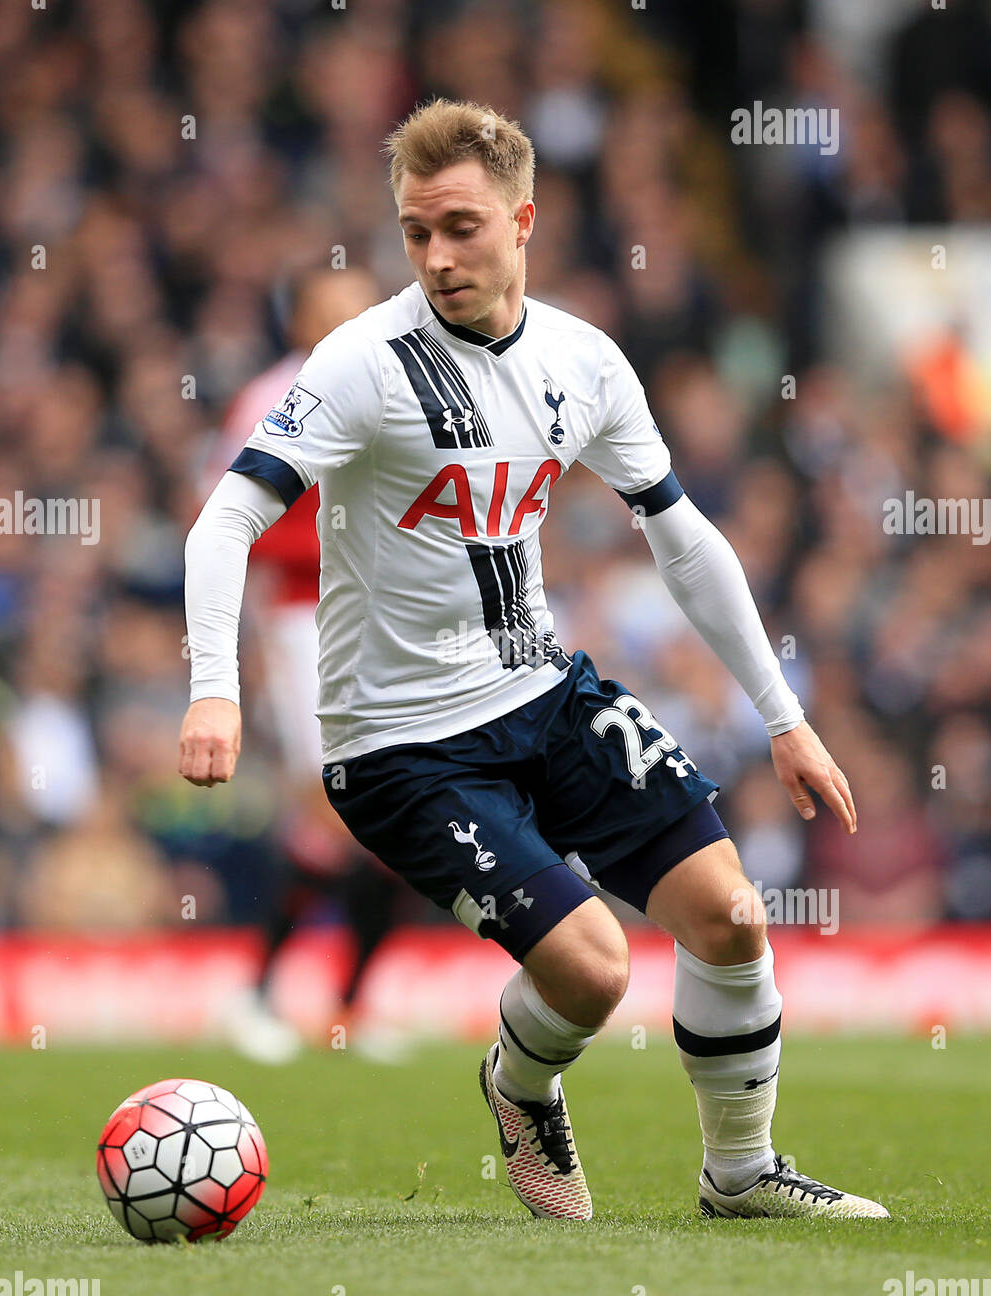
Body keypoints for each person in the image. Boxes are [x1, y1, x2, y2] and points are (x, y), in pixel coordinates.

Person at [179, 98, 888, 1221]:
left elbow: (681, 537)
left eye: (461, 227)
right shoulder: (364, 362)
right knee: (596, 971)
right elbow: (224, 519)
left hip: (546, 691)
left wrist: (783, 715)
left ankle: (742, 1174)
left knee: (733, 916)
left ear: (524, 220)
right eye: (416, 233)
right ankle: (520, 1087)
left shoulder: (584, 359)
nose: (438, 256)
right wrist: (212, 689)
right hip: (403, 744)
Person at [199, 265, 408, 1064]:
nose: (351, 322)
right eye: (332, 311)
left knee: (395, 804)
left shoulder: (402, 390)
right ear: (299, 324)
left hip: (393, 623)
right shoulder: (273, 399)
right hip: (304, 619)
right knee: (332, 800)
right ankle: (257, 992)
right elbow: (232, 518)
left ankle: (349, 1005)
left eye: (362, 308)